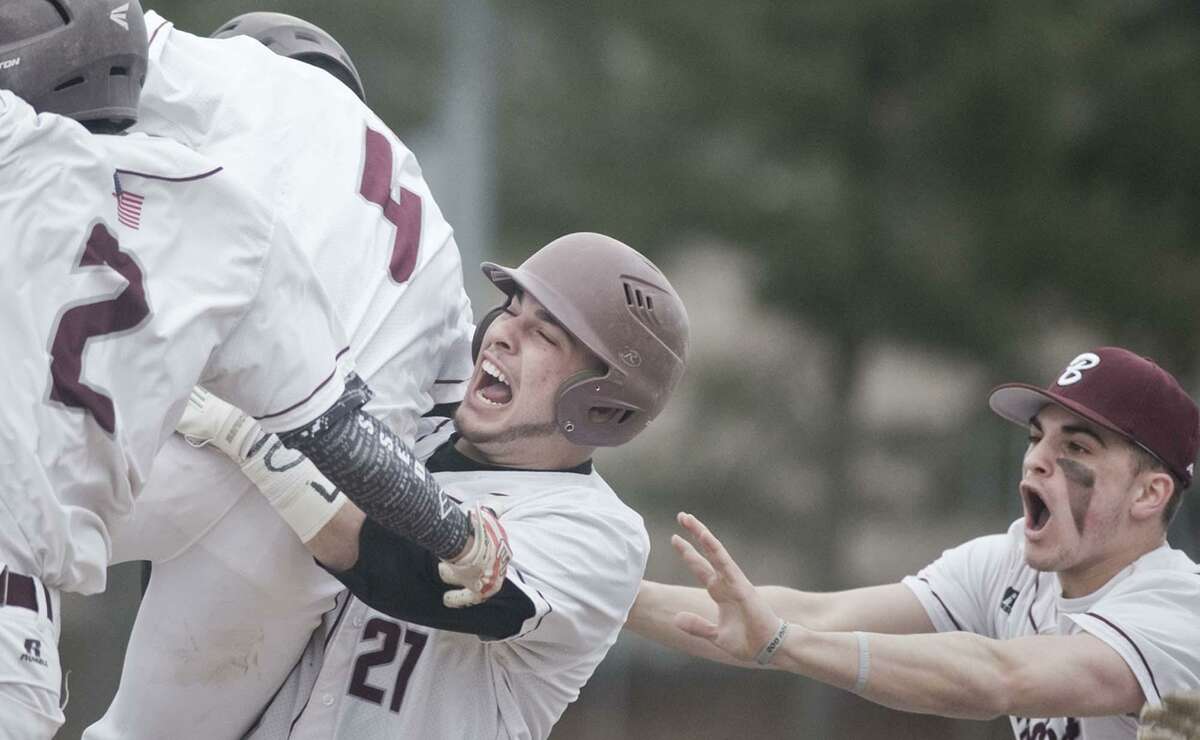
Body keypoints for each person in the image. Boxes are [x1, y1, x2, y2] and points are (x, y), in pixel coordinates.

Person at [0, 4, 503, 737]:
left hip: (146, 446)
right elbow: (410, 431)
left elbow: (90, 28)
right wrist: (457, 533)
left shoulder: (226, 83)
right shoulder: (247, 226)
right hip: (304, 516)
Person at [177, 233, 691, 739]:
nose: (503, 334)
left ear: (599, 407)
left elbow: (412, 574)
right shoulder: (415, 423)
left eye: (545, 335)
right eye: (511, 309)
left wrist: (252, 438)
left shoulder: (600, 534)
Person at [630, 347, 1200, 739]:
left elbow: (1000, 677)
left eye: (1076, 447)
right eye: (1036, 437)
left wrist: (782, 643)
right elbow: (820, 612)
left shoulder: (1178, 611)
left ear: (1150, 494)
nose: (1036, 459)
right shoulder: (1010, 566)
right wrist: (603, 595)